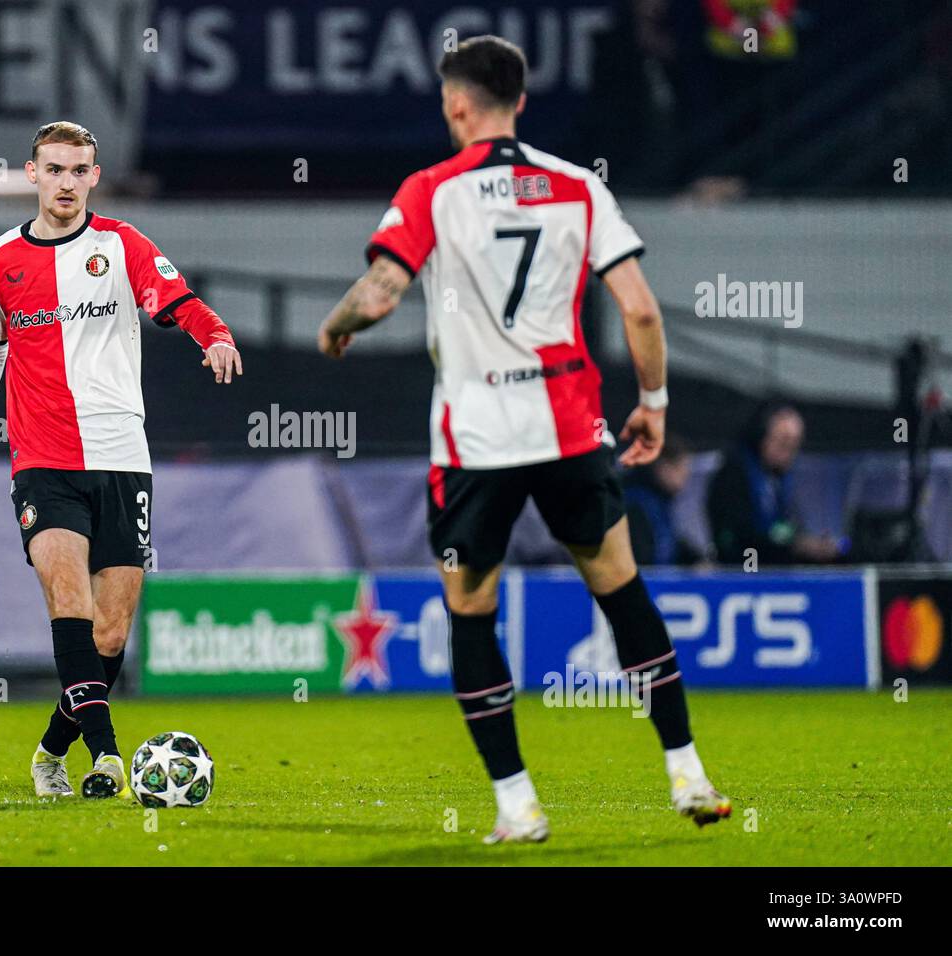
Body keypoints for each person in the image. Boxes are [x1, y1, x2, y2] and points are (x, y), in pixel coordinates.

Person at [317, 36, 729, 844]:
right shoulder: (579, 187)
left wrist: (336, 328)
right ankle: (688, 772)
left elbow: (382, 290)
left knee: (472, 611)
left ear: (456, 104)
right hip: (571, 430)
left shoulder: (432, 189)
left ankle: (517, 806)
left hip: (475, 444)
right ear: (523, 103)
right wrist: (654, 403)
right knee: (622, 591)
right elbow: (641, 309)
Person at [0, 122, 241, 800]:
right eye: (54, 170)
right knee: (68, 599)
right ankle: (107, 756)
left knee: (111, 627)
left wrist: (214, 333)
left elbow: (178, 300)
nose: (66, 183)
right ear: (33, 173)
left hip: (121, 455)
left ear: (94, 177)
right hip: (42, 459)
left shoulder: (121, 245)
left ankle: (51, 750)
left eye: (79, 170)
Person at [706, 401, 841, 565]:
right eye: (783, 443)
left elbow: (786, 525)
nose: (789, 454)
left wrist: (807, 542)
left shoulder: (778, 480)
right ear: (762, 437)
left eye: (794, 446)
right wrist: (795, 546)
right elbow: (743, 539)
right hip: (744, 568)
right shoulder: (736, 475)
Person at [623, 435, 707, 565]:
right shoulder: (637, 505)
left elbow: (671, 544)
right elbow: (643, 557)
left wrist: (696, 560)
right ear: (664, 468)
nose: (686, 475)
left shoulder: (661, 503)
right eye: (681, 468)